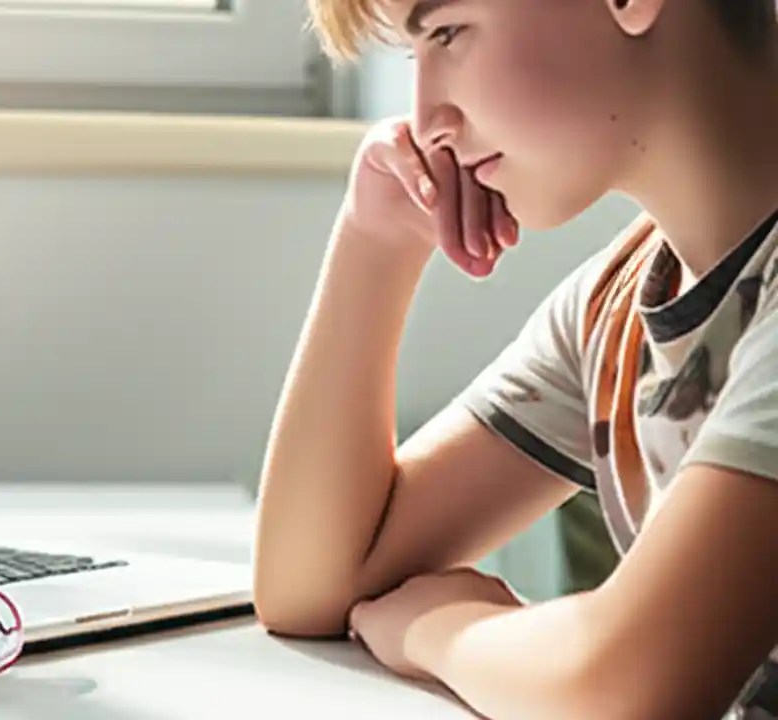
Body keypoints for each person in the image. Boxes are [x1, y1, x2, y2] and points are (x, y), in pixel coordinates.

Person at [252, 1, 778, 718]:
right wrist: (375, 239)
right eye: (415, 55)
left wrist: (440, 629)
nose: (427, 119)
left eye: (447, 32)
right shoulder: (611, 310)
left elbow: (626, 686)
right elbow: (310, 585)